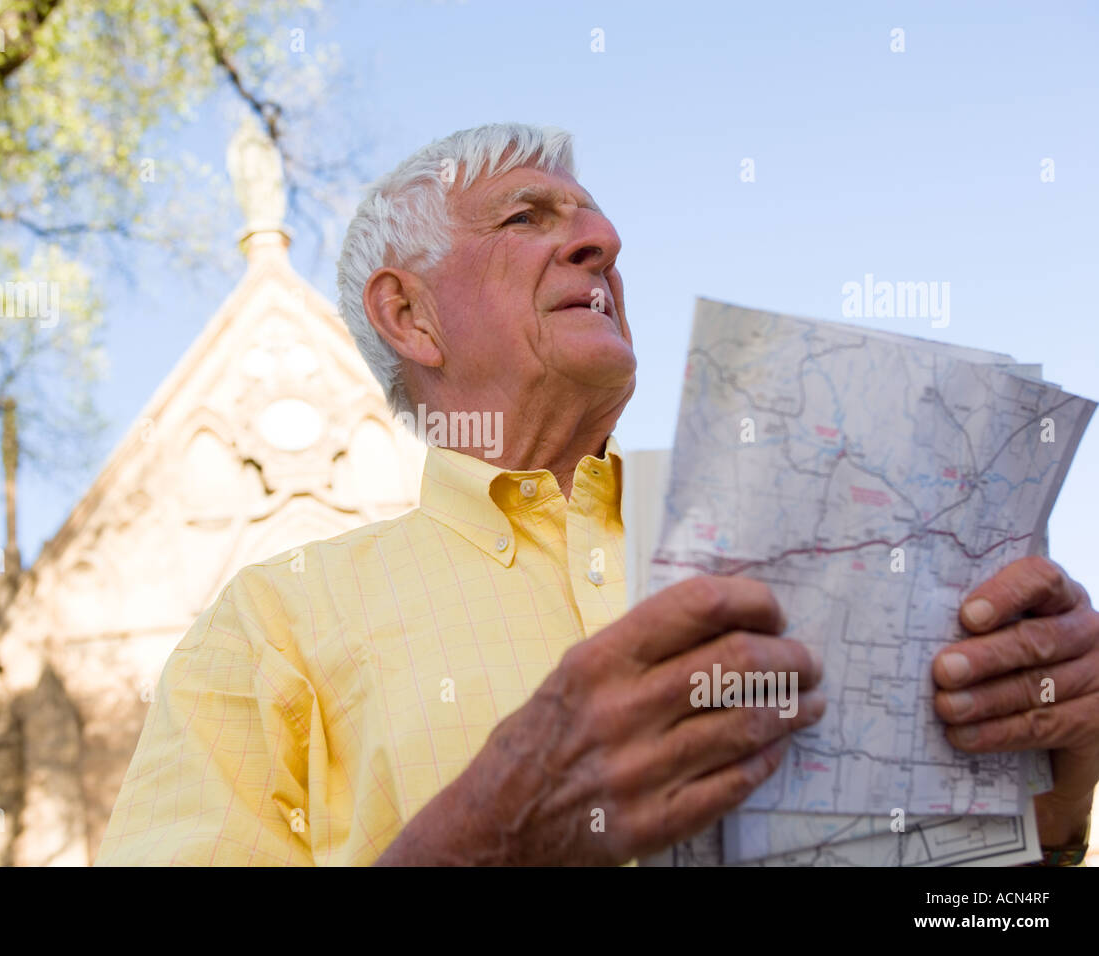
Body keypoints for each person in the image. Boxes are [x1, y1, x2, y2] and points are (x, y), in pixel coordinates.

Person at [95, 123, 1097, 866]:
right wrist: (487, 836)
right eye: (527, 217)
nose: (602, 244)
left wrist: (1057, 765)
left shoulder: (822, 535)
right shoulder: (272, 624)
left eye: (599, 227)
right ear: (407, 312)